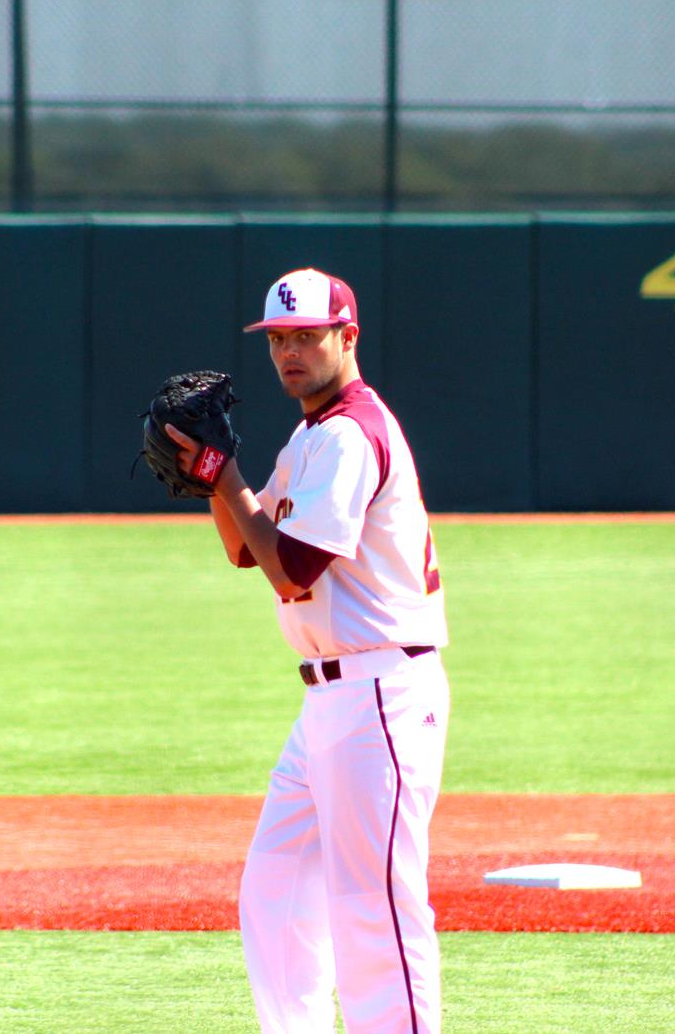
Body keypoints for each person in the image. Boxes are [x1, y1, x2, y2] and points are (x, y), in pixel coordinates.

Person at [165, 267, 449, 1033]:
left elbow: (292, 569)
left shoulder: (352, 434)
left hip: (381, 692)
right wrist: (214, 481)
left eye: (307, 336)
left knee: (374, 912)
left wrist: (225, 479)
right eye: (279, 339)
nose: (290, 351)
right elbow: (249, 551)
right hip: (331, 701)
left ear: (347, 337)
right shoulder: (313, 433)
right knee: (278, 888)